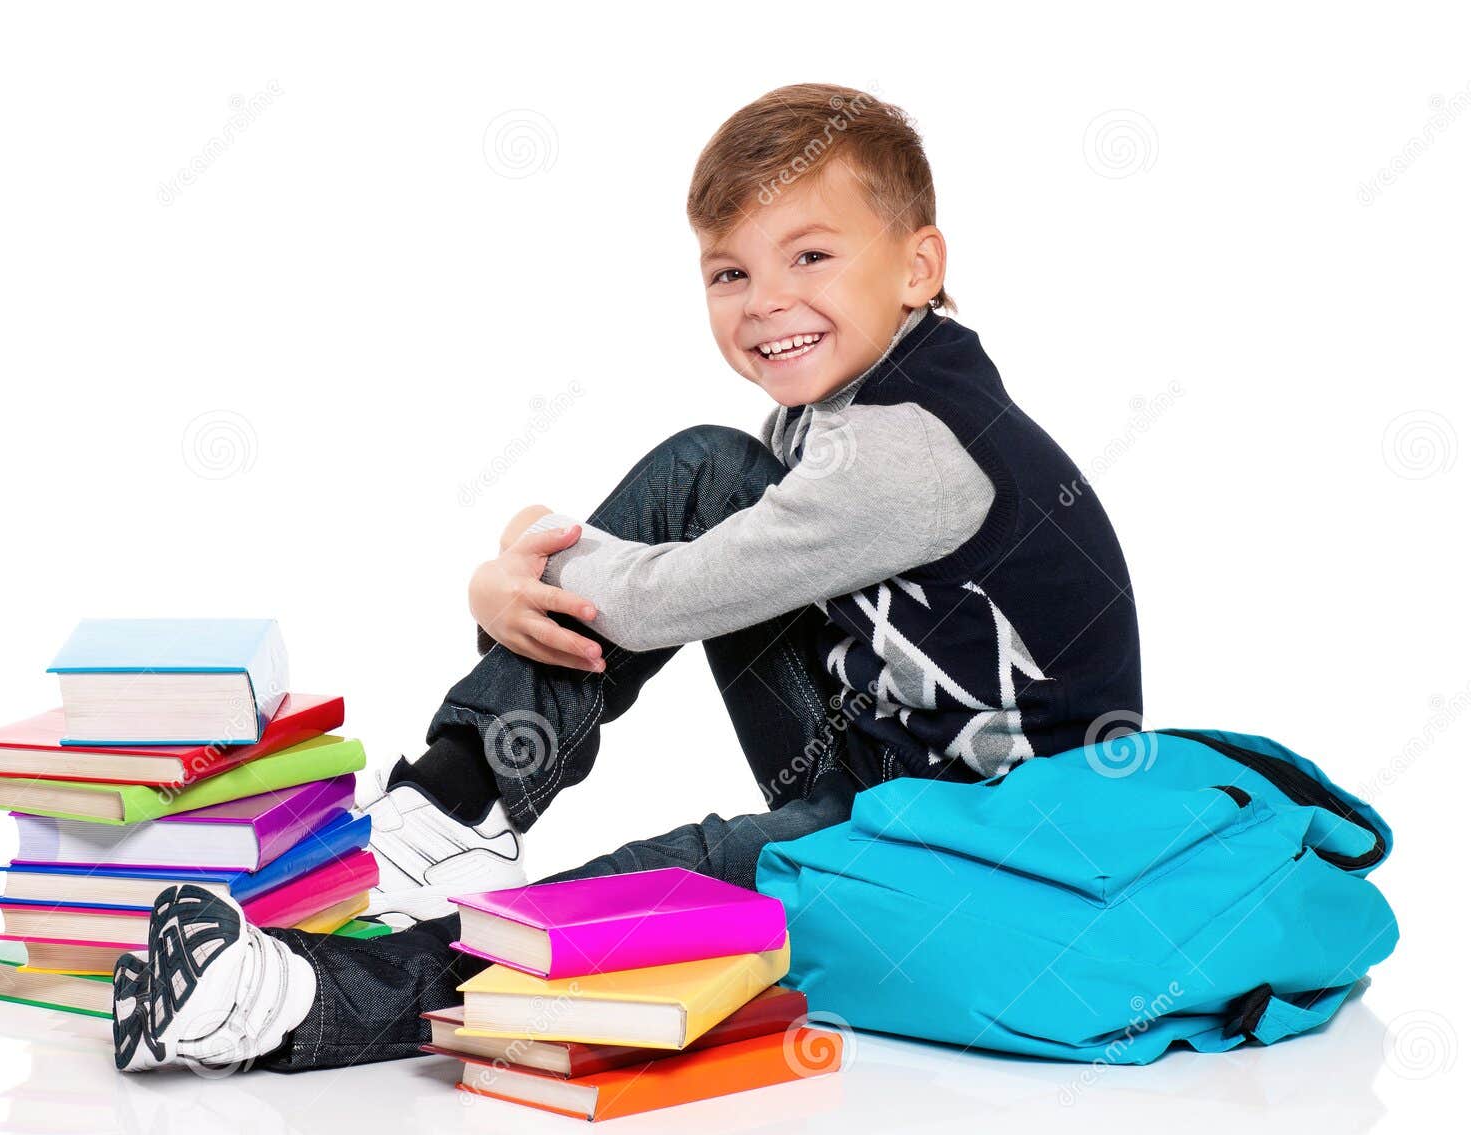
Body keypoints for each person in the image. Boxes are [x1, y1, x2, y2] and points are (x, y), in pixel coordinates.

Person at [113, 83, 1141, 1074]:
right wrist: (541, 570)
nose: (765, 301)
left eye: (811, 255)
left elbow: (658, 598)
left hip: (985, 864)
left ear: (918, 268)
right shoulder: (849, 398)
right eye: (728, 272)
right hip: (889, 777)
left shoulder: (905, 452)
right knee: (709, 466)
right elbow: (693, 565)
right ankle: (451, 808)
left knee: (687, 869)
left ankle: (293, 998)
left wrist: (514, 563)